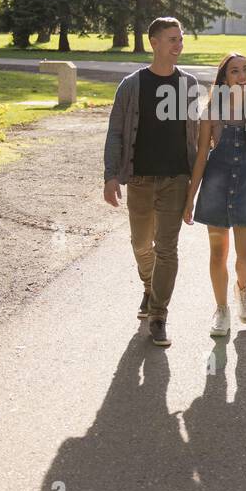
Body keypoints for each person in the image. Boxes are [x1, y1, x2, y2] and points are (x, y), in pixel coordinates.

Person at [103, 17, 200, 348]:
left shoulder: (188, 85)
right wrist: (110, 176)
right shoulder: (132, 85)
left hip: (176, 178)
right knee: (141, 243)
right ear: (154, 42)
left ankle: (159, 315)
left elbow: (197, 134)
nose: (178, 45)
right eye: (172, 39)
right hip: (140, 179)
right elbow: (116, 132)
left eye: (181, 39)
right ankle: (149, 286)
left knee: (167, 248)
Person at [182, 52, 246, 337]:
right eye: (234, 71)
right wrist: (190, 198)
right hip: (216, 187)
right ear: (224, 79)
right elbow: (201, 156)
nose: (242, 75)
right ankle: (221, 309)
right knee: (218, 253)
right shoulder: (211, 111)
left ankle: (242, 287)